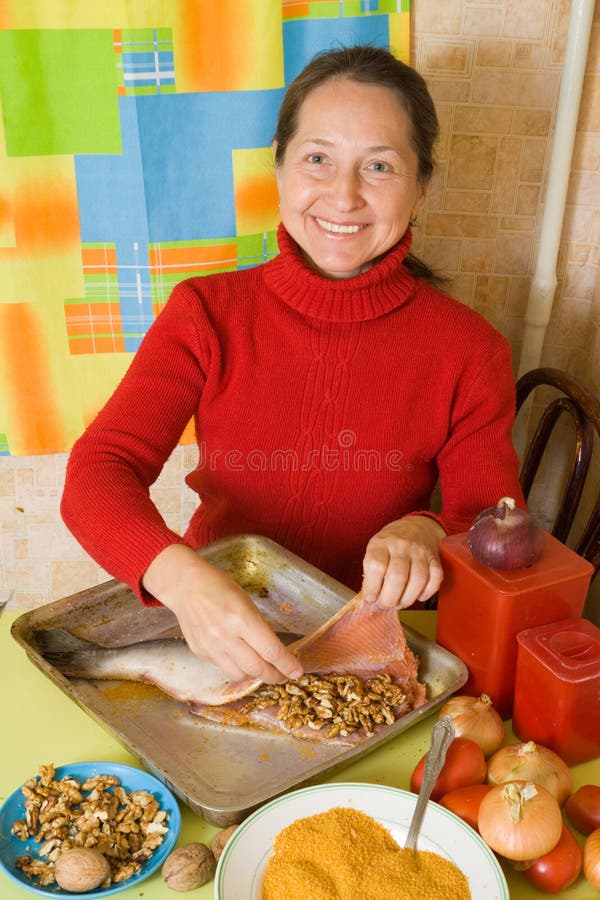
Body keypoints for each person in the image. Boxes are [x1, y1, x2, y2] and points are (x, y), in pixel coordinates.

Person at [61, 44, 525, 688]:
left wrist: (429, 528)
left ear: (421, 189)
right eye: (317, 159)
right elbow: (97, 472)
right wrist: (179, 577)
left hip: (382, 644)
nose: (344, 195)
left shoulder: (470, 349)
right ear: (279, 168)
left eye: (380, 166)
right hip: (222, 627)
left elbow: (491, 524)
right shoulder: (206, 312)